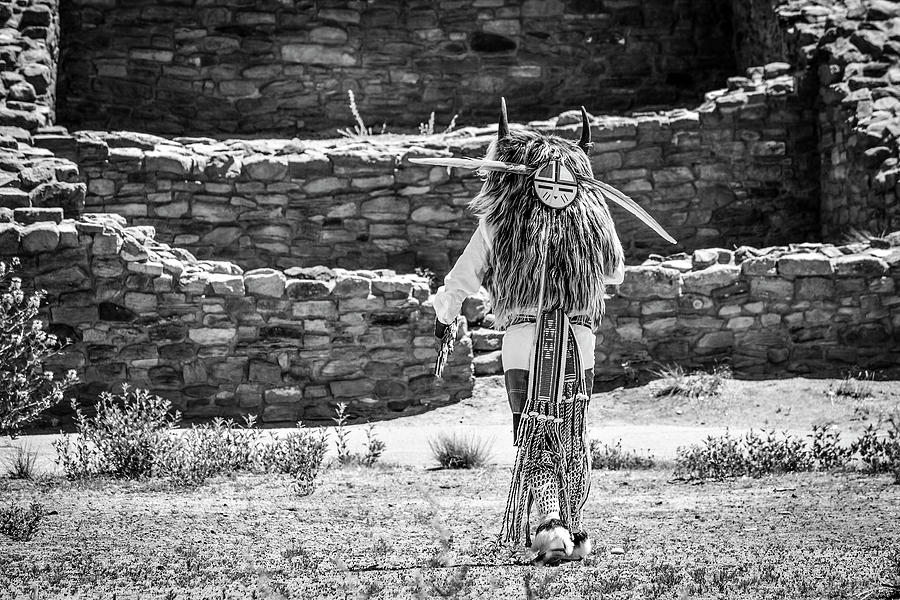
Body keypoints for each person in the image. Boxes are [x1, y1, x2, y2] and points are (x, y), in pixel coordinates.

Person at [418, 99, 673, 566]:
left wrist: (444, 317)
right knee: (570, 433)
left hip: (522, 337)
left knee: (534, 432)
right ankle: (568, 527)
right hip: (579, 337)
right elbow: (615, 272)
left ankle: (548, 527)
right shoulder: (591, 214)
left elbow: (462, 280)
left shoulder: (499, 217)